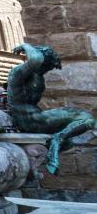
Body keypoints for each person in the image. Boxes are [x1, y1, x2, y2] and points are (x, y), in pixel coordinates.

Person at [7, 43, 96, 174]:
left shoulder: (38, 74)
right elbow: (36, 60)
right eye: (47, 65)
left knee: (81, 124)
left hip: (36, 116)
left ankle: (57, 140)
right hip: (29, 121)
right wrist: (25, 46)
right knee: (87, 120)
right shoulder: (19, 72)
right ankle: (56, 140)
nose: (47, 69)